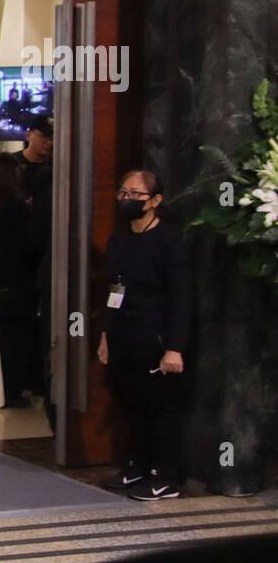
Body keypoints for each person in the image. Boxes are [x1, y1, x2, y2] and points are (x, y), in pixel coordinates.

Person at [97, 169, 189, 501]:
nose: (127, 199)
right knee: (131, 403)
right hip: (124, 335)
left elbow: (181, 299)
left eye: (135, 194)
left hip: (156, 337)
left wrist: (174, 348)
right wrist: (106, 334)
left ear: (154, 201)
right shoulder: (119, 238)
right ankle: (136, 465)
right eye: (123, 192)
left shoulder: (169, 242)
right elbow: (113, 288)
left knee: (160, 408)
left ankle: (164, 475)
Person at [0, 154, 42, 404]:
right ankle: (11, 391)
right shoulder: (18, 209)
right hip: (18, 285)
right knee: (15, 342)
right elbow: (30, 245)